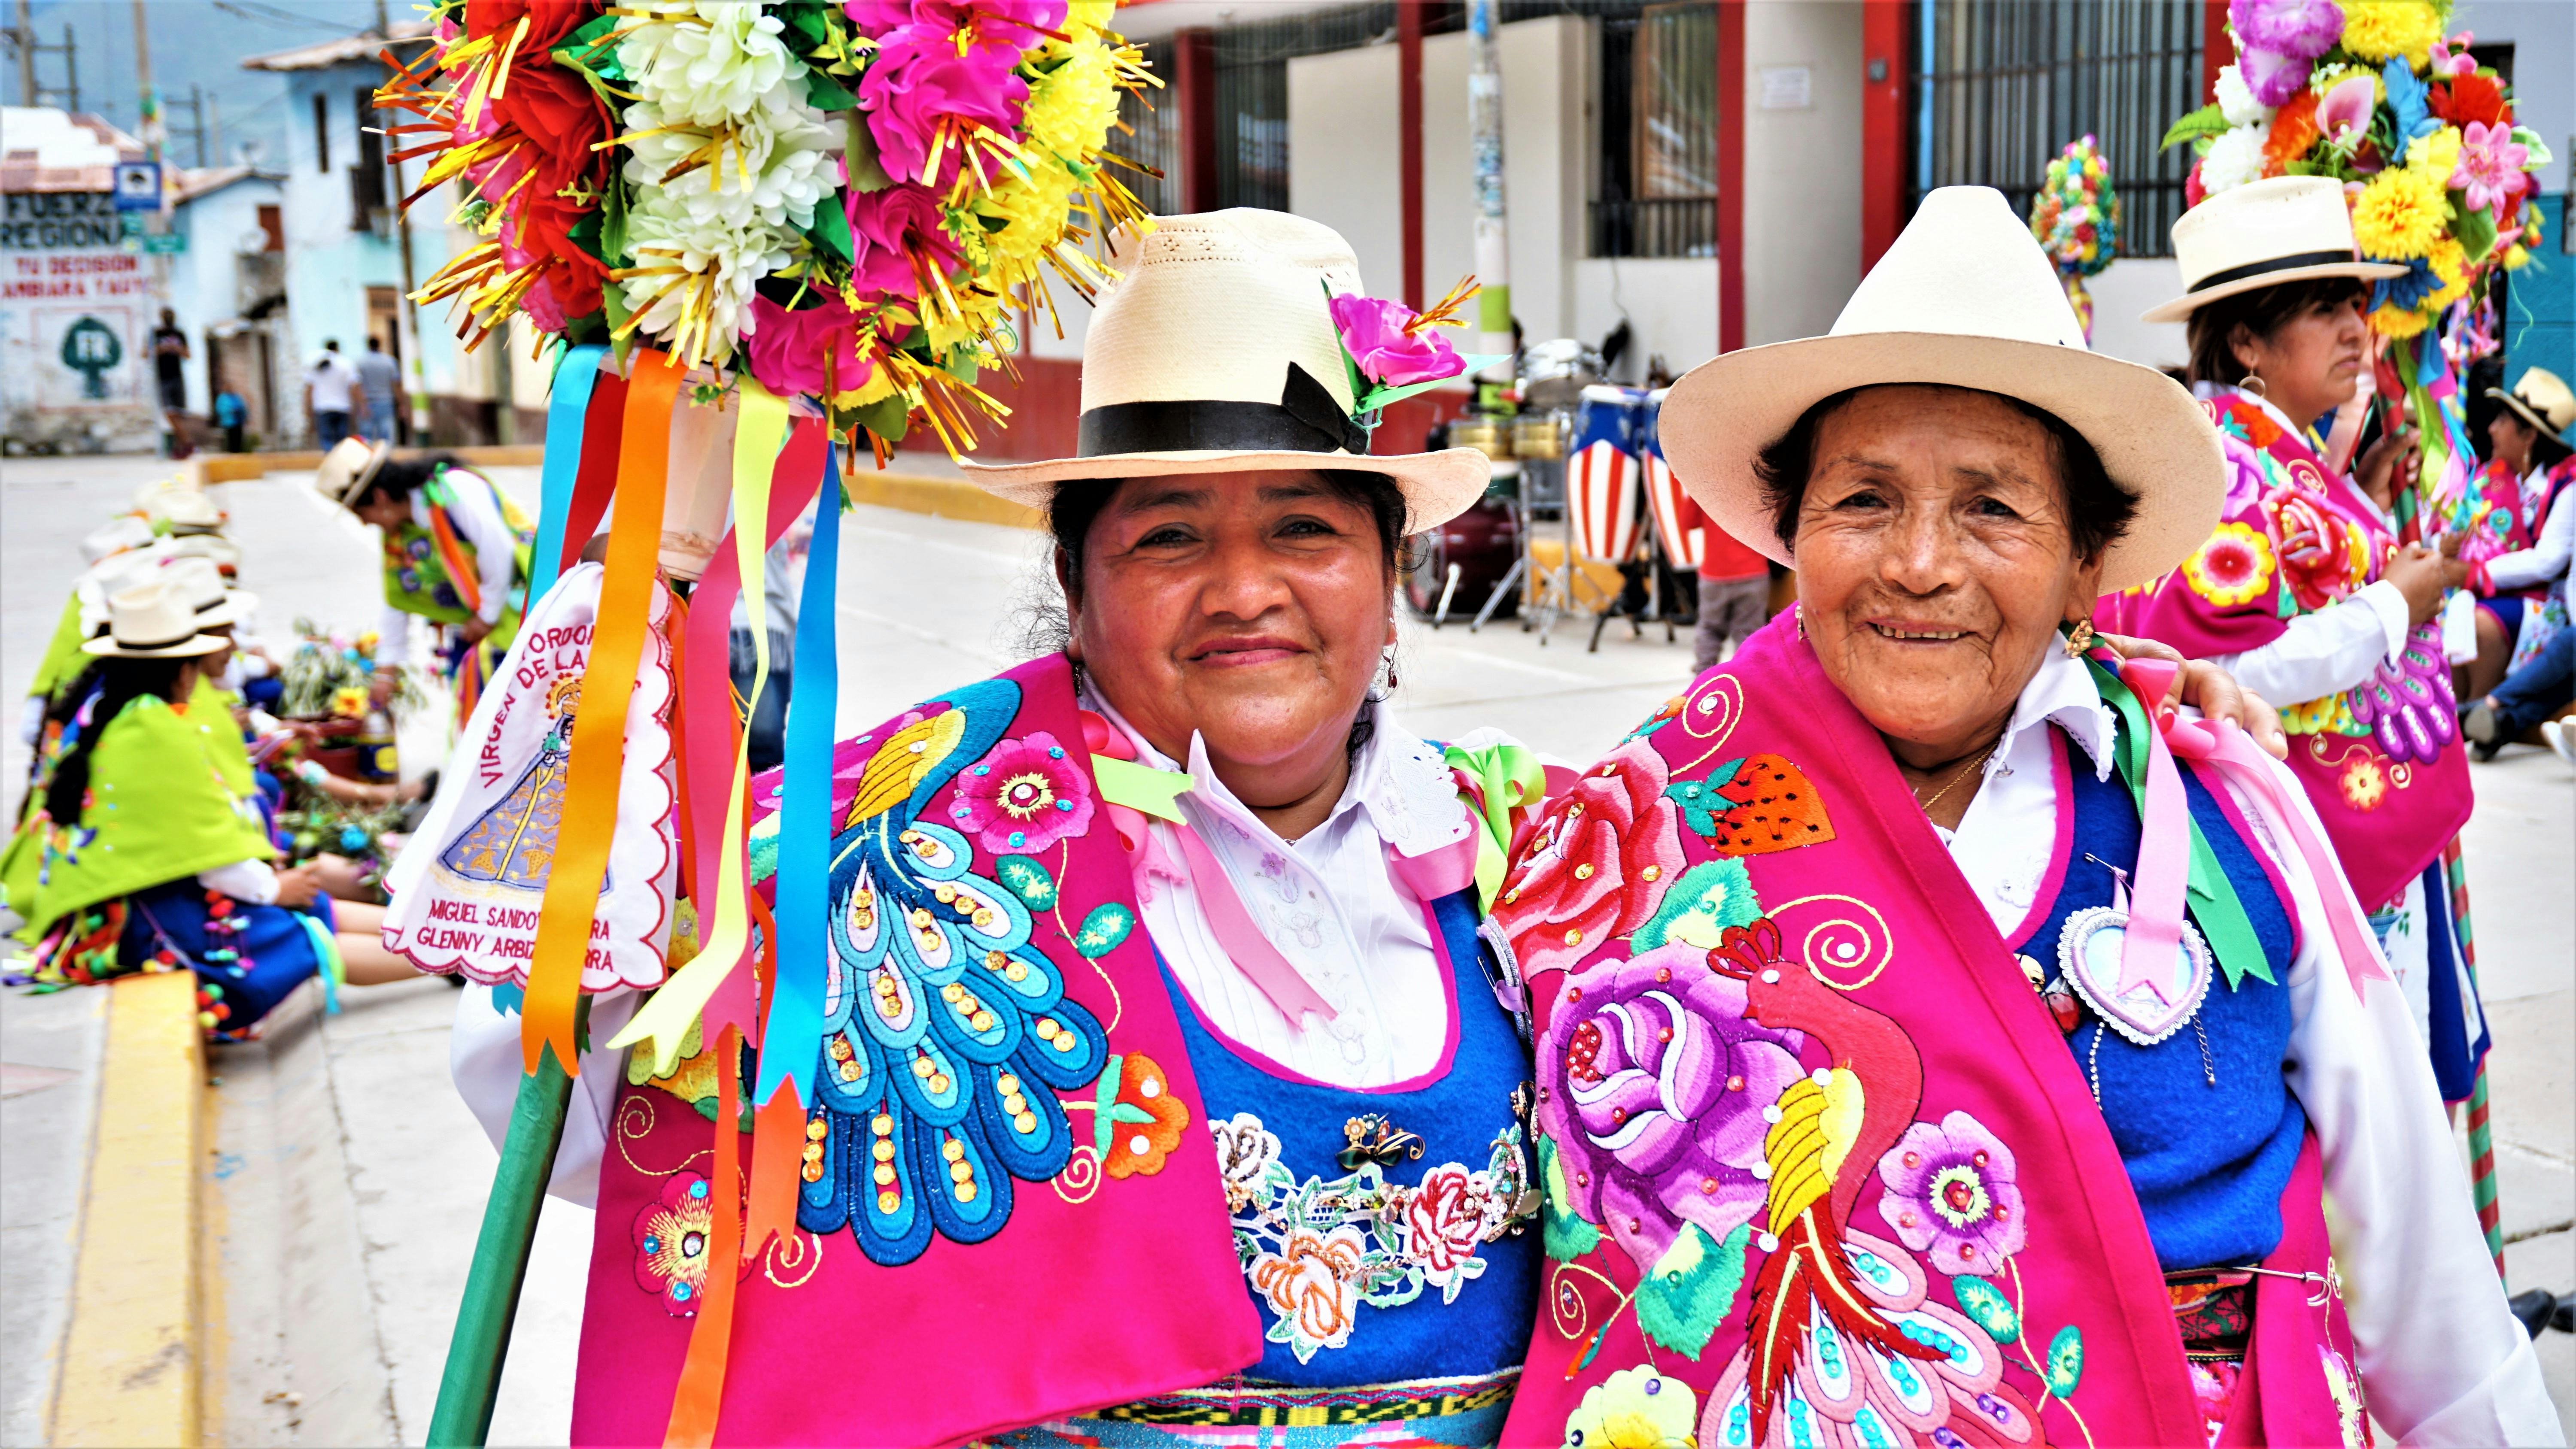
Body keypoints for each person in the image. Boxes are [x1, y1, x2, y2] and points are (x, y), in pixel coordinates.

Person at [1498, 188, 2557, 1448]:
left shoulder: (2221, 813)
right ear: (1788, 533)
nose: (1918, 563)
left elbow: (2419, 1276)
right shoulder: (1632, 844)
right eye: (1862, 502)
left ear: (2084, 562)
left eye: (1992, 508)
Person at [2115, 176, 2491, 1104]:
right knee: (2362, 1102)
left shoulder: (2267, 453)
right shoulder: (2233, 463)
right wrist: (2394, 604)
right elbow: (2227, 667)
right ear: (2247, 339)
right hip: (2319, 832)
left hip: (2345, 813)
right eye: (2324, 311)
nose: (2359, 331)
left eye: (2355, 306)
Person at [1, 583, 420, 1034]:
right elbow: (207, 848)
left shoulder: (127, 713)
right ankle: (455, 963)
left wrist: (273, 885)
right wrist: (272, 888)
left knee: (313, 906)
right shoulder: (154, 728)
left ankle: (452, 943)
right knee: (299, 940)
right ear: (185, 669)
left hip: (161, 889)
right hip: (147, 918)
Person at [313, 437, 534, 718]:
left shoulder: (452, 490)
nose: (365, 523)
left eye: (361, 513)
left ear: (380, 498)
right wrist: (385, 674)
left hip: (524, 615)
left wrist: (487, 616)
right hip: (482, 633)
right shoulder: (399, 535)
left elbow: (498, 549)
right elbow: (399, 598)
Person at [2460, 368, 2575, 726]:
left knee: (2481, 622)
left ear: (2528, 435)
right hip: (2495, 591)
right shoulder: (2490, 480)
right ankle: (2464, 713)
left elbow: (2547, 562)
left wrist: (2476, 574)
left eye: (2503, 421)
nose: (2492, 429)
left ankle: (2479, 706)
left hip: (2547, 602)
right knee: (2448, 613)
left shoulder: (2567, 486)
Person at [1691, 520, 1772, 673]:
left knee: (1710, 629)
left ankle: (1703, 680)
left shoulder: (1705, 494)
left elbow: (1687, 522)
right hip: (1752, 571)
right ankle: (1747, 681)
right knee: (1749, 633)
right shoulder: (1758, 494)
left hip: (1714, 573)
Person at [304, 339, 359, 450]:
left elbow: (309, 389)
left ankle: (330, 459)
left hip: (322, 407)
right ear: (338, 349)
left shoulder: (316, 363)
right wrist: (358, 405)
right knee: (341, 439)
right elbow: (354, 386)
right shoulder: (346, 363)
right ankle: (341, 461)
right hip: (343, 407)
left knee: (326, 438)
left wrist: (307, 408)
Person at [357, 334, 401, 444]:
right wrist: (401, 403)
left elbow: (357, 385)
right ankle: (386, 458)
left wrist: (361, 404)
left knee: (367, 436)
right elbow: (396, 384)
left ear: (368, 345)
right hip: (386, 401)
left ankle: (368, 459)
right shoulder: (389, 361)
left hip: (367, 402)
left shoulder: (361, 362)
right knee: (386, 435)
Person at [213, 383, 249, 454]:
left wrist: (244, 414)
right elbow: (220, 409)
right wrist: (230, 411)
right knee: (231, 439)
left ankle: (239, 452)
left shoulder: (237, 397)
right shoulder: (223, 398)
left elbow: (243, 407)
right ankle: (232, 452)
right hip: (229, 421)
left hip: (238, 421)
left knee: (239, 438)